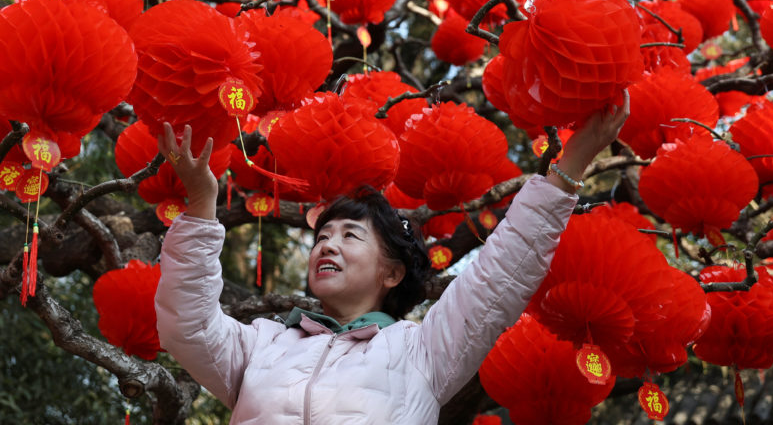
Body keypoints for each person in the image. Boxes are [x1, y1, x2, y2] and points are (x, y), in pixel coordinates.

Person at [154, 96, 629, 424]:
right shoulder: (262, 346)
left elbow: (498, 274)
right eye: (322, 236)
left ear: (392, 271)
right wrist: (200, 205)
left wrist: (572, 164)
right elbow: (187, 325)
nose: (327, 245)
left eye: (350, 235)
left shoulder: (422, 352)